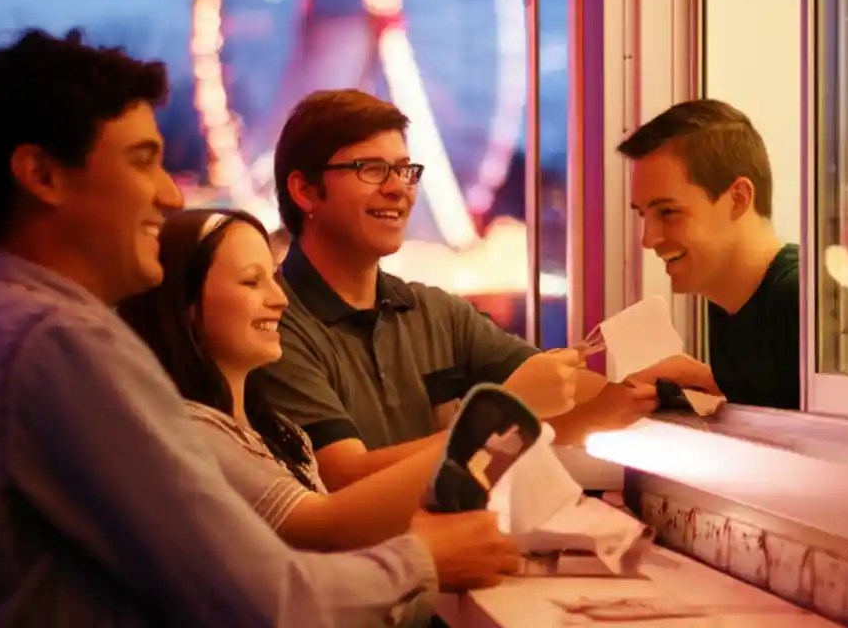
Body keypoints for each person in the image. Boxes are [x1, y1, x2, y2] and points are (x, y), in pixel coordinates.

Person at [0, 29, 517, 627]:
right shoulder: (57, 345)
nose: (167, 194)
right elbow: (260, 601)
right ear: (43, 176)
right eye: (143, 161)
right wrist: (423, 560)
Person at [252, 89, 713, 492]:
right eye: (372, 169)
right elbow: (345, 479)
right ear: (306, 192)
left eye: (405, 170)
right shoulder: (272, 324)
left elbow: (567, 401)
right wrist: (505, 410)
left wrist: (649, 388)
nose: (400, 190)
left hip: (445, 566)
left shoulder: (433, 312)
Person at [119, 207, 570, 553]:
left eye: (272, 279)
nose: (278, 299)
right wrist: (498, 413)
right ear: (187, 308)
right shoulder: (196, 433)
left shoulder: (275, 431)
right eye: (251, 282)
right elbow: (325, 528)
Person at [619, 99, 848, 410]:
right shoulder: (730, 306)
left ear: (738, 199)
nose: (648, 239)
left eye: (669, 212)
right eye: (643, 215)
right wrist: (707, 382)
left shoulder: (809, 305)